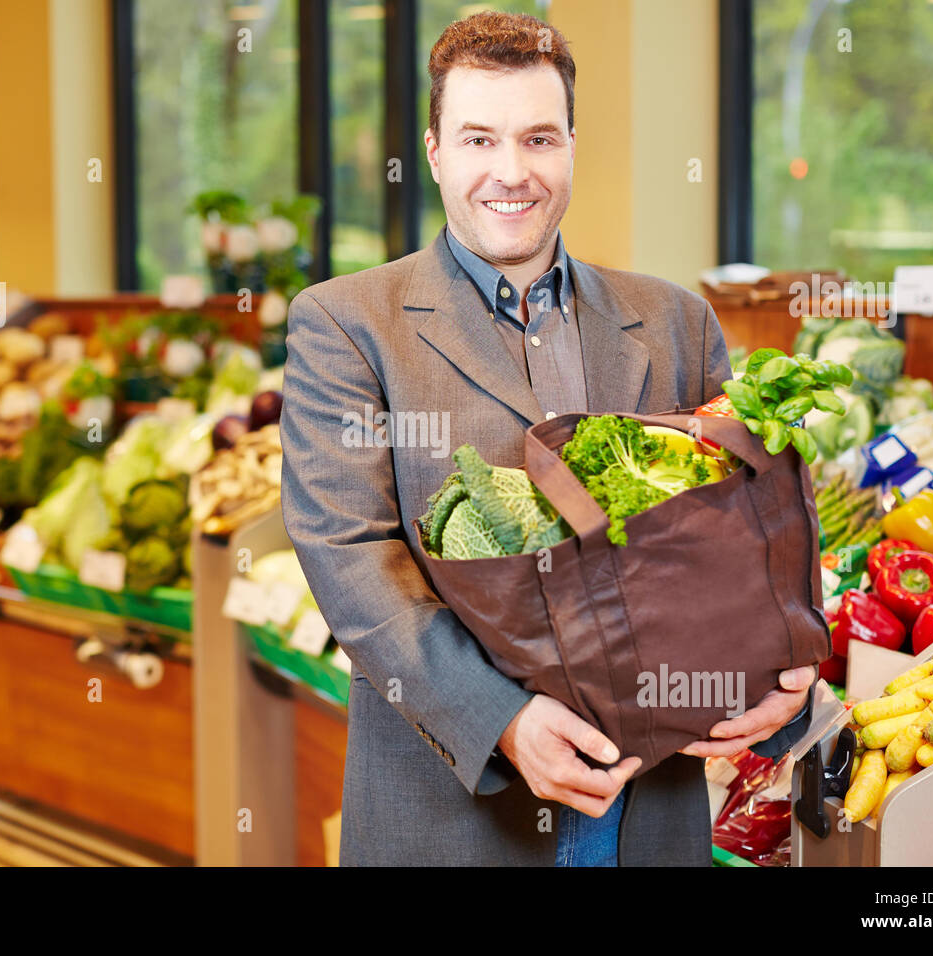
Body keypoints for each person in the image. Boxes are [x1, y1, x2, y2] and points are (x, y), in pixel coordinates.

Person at [280, 10, 814, 867]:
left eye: (539, 138)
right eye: (479, 139)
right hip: (456, 806)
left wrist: (781, 675)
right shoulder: (348, 325)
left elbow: (743, 533)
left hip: (651, 804)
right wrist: (504, 723)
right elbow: (348, 555)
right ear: (434, 152)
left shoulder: (677, 321)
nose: (511, 172)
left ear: (571, 143)